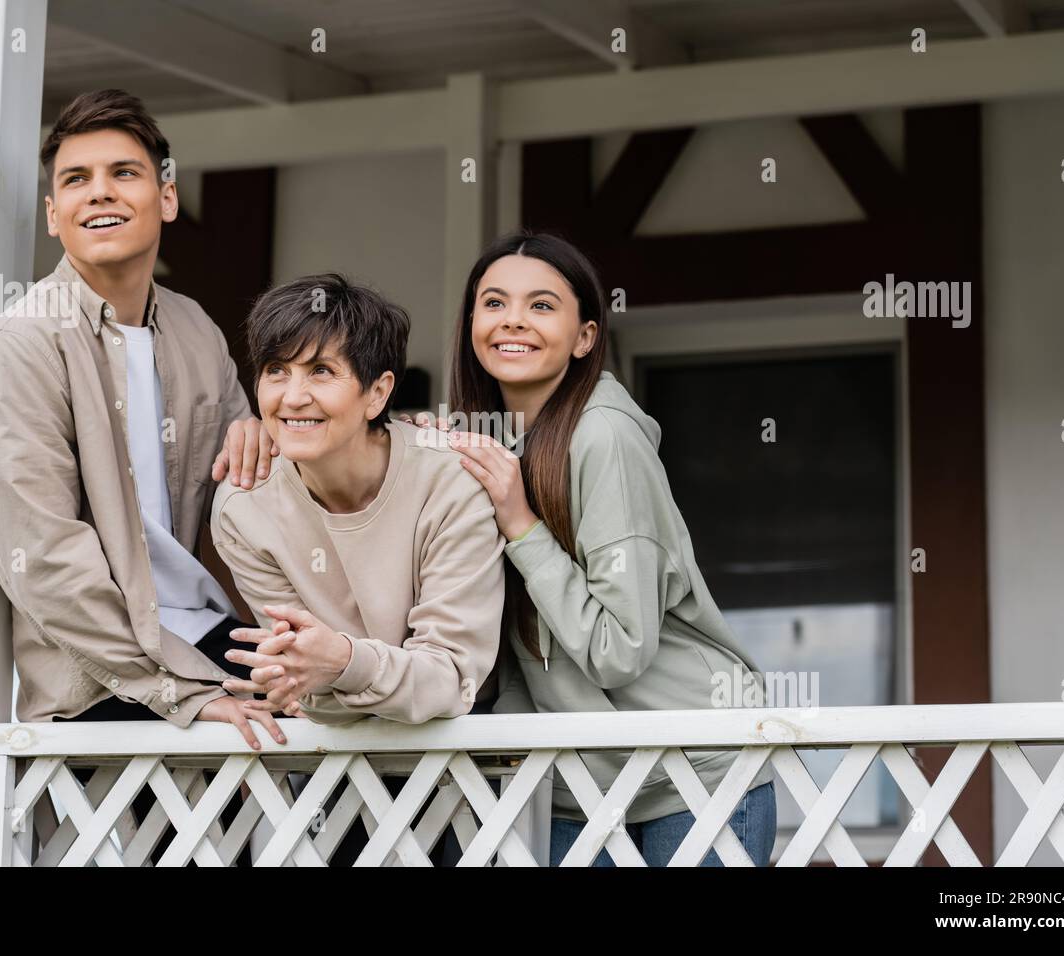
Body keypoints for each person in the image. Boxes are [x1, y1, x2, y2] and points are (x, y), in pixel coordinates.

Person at [431, 231, 778, 866]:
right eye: (494, 302)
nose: (513, 320)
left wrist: (521, 525)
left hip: (691, 769)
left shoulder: (605, 440)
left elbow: (619, 650)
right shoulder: (486, 444)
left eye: (541, 305)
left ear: (584, 336)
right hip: (572, 781)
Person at [0, 88, 285, 752]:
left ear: (166, 198)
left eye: (123, 174)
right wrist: (181, 691)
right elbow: (44, 561)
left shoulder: (195, 328)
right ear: (55, 215)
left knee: (353, 728)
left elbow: (256, 496)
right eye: (77, 180)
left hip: (209, 637)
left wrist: (263, 433)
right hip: (100, 681)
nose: (99, 193)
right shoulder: (22, 347)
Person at [209, 274, 504, 727]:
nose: (292, 397)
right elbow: (304, 692)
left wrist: (343, 664)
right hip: (329, 757)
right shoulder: (244, 508)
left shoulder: (450, 481)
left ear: (379, 393)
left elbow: (451, 679)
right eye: (276, 371)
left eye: (321, 371)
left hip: (457, 752)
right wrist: (318, 678)